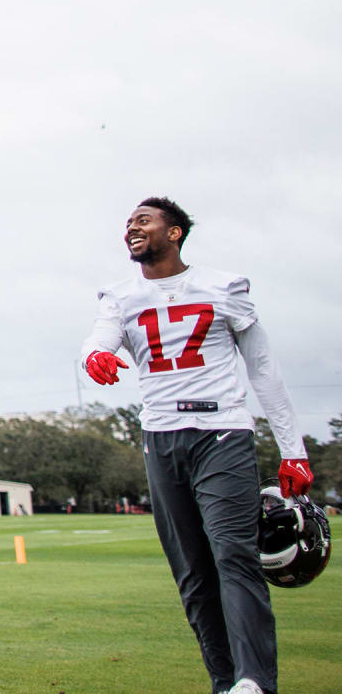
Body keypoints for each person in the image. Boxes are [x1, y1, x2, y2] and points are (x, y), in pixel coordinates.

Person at [80, 197, 314, 694]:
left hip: (222, 433)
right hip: (160, 437)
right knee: (192, 572)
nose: (131, 229)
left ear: (175, 233)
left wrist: (294, 450)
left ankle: (255, 681)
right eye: (127, 224)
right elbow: (99, 338)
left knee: (234, 555)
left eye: (143, 221)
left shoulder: (222, 286)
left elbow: (263, 368)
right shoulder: (120, 297)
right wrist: (96, 356)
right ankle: (225, 680)